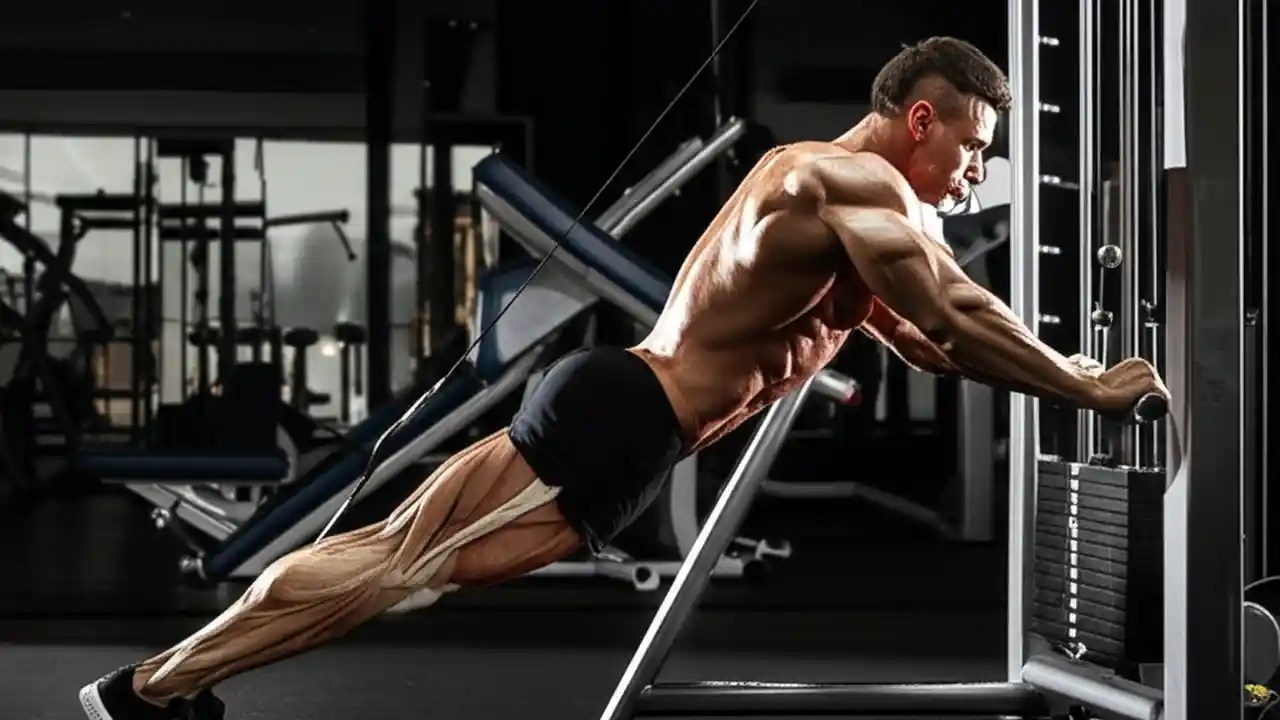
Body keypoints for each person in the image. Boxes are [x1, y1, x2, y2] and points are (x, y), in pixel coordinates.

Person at [80, 36, 1169, 720]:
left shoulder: (849, 218)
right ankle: (146, 690)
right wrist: (1089, 389)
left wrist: (1062, 366)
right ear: (918, 117)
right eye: (971, 148)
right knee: (385, 571)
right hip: (617, 416)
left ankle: (161, 691)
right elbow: (958, 312)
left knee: (393, 571)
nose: (973, 172)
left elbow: (930, 341)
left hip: (630, 431)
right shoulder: (845, 183)